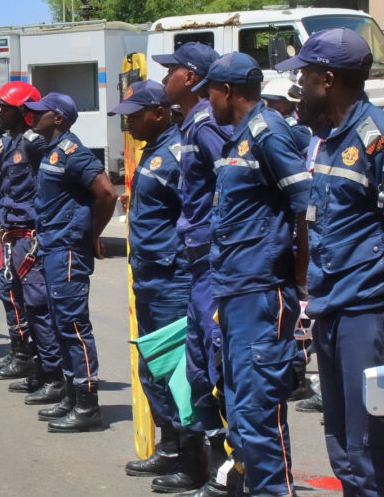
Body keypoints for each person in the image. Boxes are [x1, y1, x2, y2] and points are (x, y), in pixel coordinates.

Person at [276, 27, 384, 495]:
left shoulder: (380, 139)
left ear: (327, 79)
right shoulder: (328, 139)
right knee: (345, 451)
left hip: (371, 318)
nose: (297, 86)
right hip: (334, 311)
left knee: (374, 455)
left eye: (304, 75)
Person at [202, 53, 310, 496]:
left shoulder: (266, 133)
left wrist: (300, 284)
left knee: (258, 413)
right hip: (238, 290)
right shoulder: (240, 138)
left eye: (209, 91)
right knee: (241, 411)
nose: (207, 101)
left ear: (227, 91)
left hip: (261, 292)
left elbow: (305, 204)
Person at [150, 42, 231, 494]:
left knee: (217, 372)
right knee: (198, 371)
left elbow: (232, 185)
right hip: (198, 262)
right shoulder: (190, 123)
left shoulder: (206, 125)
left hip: (213, 263)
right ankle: (206, 467)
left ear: (192, 77)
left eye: (172, 70)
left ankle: (226, 473)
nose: (165, 79)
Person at [108, 80, 191, 477]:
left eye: (134, 116)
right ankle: (170, 446)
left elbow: (194, 216)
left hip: (172, 278)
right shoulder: (152, 152)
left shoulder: (178, 153)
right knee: (153, 366)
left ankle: (191, 454)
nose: (129, 126)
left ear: (159, 112)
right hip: (149, 276)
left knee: (179, 370)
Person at [24, 92, 117, 433]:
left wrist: (92, 235)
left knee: (74, 326)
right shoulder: (50, 150)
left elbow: (107, 194)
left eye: (40, 112)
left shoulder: (74, 153)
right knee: (61, 324)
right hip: (51, 248)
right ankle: (70, 394)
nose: (32, 116)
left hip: (67, 251)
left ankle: (88, 405)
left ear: (59, 118)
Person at [0, 82, 64, 401]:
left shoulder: (34, 144)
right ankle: (39, 368)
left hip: (30, 237)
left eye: (5, 109)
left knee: (39, 307)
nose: (0, 114)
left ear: (23, 112)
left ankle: (55, 376)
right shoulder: (12, 143)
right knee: (24, 306)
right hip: (14, 235)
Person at [262, 78, 312, 151]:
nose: (268, 106)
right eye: (267, 102)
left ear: (288, 104)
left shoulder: (298, 130)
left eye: (273, 102)